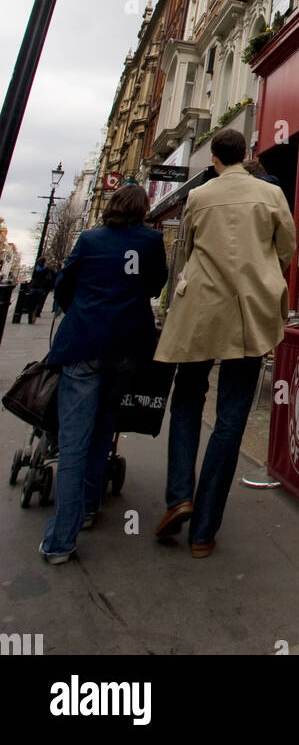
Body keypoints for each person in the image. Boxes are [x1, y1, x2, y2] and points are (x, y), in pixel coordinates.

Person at [154, 128, 295, 558]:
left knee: (188, 398)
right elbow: (286, 248)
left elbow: (189, 249)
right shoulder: (271, 196)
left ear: (214, 156)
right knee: (232, 415)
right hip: (249, 309)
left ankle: (180, 494)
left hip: (201, 306)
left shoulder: (199, 197)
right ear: (244, 155)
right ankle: (204, 530)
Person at [39, 185, 167, 564]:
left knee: (74, 437)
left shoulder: (91, 239)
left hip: (85, 342)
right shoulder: (152, 241)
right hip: (128, 346)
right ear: (143, 210)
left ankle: (62, 538)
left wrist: (82, 308)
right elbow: (155, 285)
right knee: (103, 427)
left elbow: (64, 286)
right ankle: (91, 506)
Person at [27, 256, 56, 321]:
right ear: (45, 262)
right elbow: (53, 277)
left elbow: (33, 278)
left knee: (32, 303)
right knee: (40, 302)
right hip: (42, 288)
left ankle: (30, 316)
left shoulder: (36, 268)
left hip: (34, 287)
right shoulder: (48, 269)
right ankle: (36, 312)